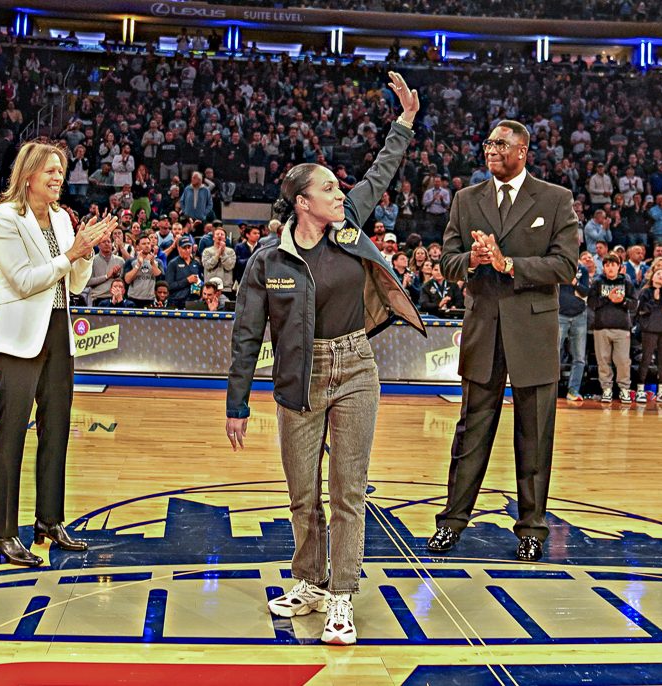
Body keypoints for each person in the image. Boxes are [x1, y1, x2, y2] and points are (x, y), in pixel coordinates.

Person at [226, 72, 424, 646]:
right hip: (299, 376)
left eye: (341, 190)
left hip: (357, 366)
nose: (342, 195)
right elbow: (245, 336)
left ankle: (341, 596)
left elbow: (380, 173)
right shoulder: (268, 259)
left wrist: (405, 122)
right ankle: (309, 581)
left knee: (348, 489)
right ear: (302, 202)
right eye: (331, 190)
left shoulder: (349, 224)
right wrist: (237, 404)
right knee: (302, 493)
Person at [428, 119, 577, 563]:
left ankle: (531, 528)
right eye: (488, 142)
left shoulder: (555, 199)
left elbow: (565, 265)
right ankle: (451, 523)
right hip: (483, 328)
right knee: (471, 432)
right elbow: (448, 262)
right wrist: (471, 259)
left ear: (523, 151)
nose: (491, 149)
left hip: (532, 331)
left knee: (535, 437)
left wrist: (509, 263)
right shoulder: (465, 199)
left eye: (500, 144)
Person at [0, 142, 115, 567]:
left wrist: (85, 255)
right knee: (12, 431)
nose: (59, 177)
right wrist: (70, 254)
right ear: (28, 175)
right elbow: (21, 281)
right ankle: (2, 532)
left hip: (57, 330)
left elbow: (73, 284)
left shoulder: (61, 217)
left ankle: (49, 521)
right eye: (51, 171)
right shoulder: (4, 218)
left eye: (61, 171)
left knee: (56, 430)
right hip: (19, 334)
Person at [588, 252, 636, 403]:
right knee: (603, 360)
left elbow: (634, 304)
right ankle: (606, 389)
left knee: (622, 360)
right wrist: (608, 298)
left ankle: (624, 389)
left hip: (622, 327)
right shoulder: (597, 282)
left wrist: (622, 301)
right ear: (603, 268)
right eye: (607, 265)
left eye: (613, 265)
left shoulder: (626, 283)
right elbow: (592, 303)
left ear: (619, 267)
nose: (610, 268)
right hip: (601, 327)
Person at [634, 267, 662, 403]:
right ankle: (640, 390)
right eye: (658, 274)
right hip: (650, 330)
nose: (660, 276)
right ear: (652, 277)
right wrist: (654, 300)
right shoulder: (645, 292)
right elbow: (641, 311)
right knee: (646, 359)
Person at [558, 253, 592, 401]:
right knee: (555, 354)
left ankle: (573, 390)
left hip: (579, 315)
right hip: (560, 314)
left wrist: (574, 283)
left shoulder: (582, 269)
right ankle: (551, 389)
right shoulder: (558, 265)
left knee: (579, 357)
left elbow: (585, 291)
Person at [124, 234, 164, 307]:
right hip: (133, 299)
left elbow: (160, 279)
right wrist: (138, 265)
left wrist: (152, 263)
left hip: (150, 299)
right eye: (143, 244)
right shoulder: (131, 261)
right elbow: (127, 280)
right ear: (137, 247)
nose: (147, 245)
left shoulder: (158, 262)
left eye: (148, 243)